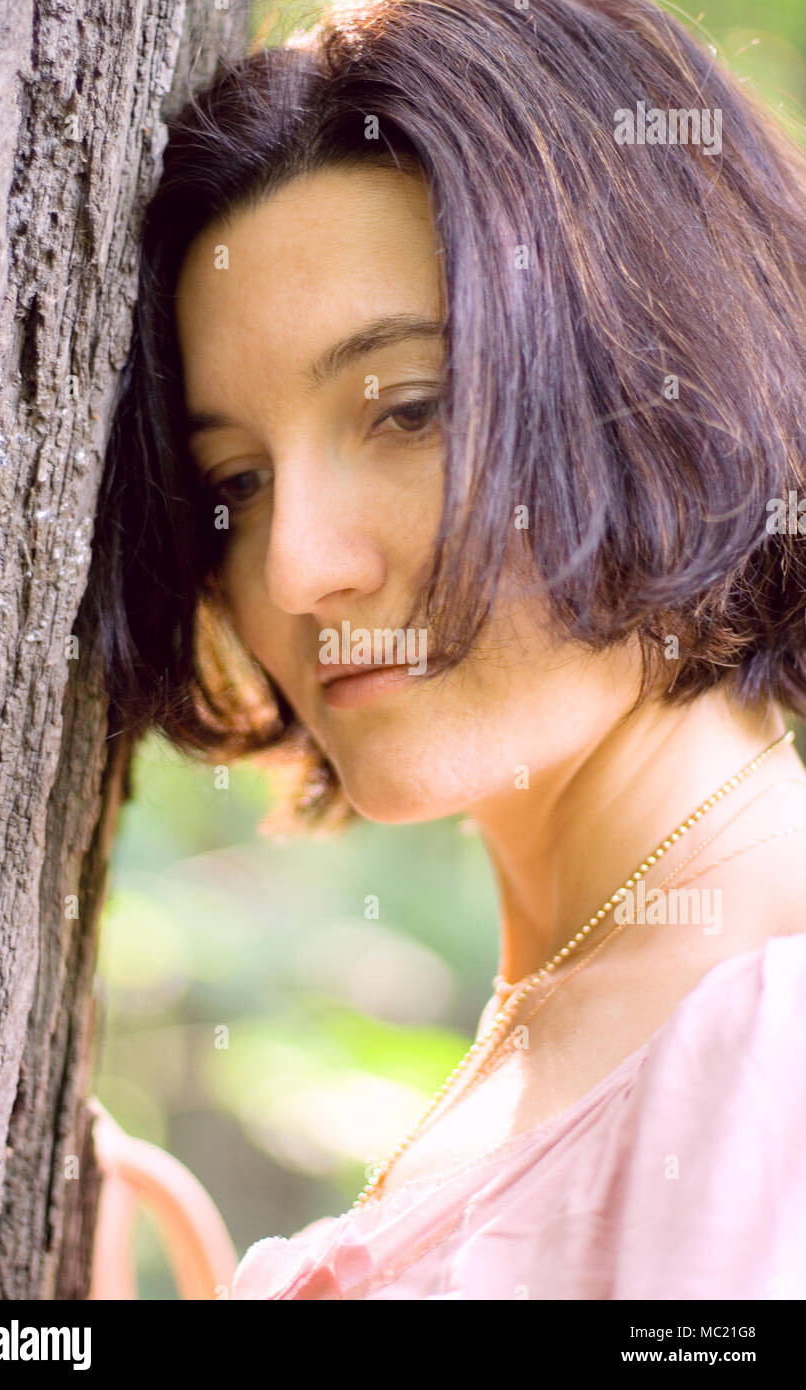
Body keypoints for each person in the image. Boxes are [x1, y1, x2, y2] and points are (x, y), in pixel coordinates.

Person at [90, 0, 806, 1298]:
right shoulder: (599, 996)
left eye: (406, 409)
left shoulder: (766, 1040)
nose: (298, 566)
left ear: (666, 372)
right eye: (235, 482)